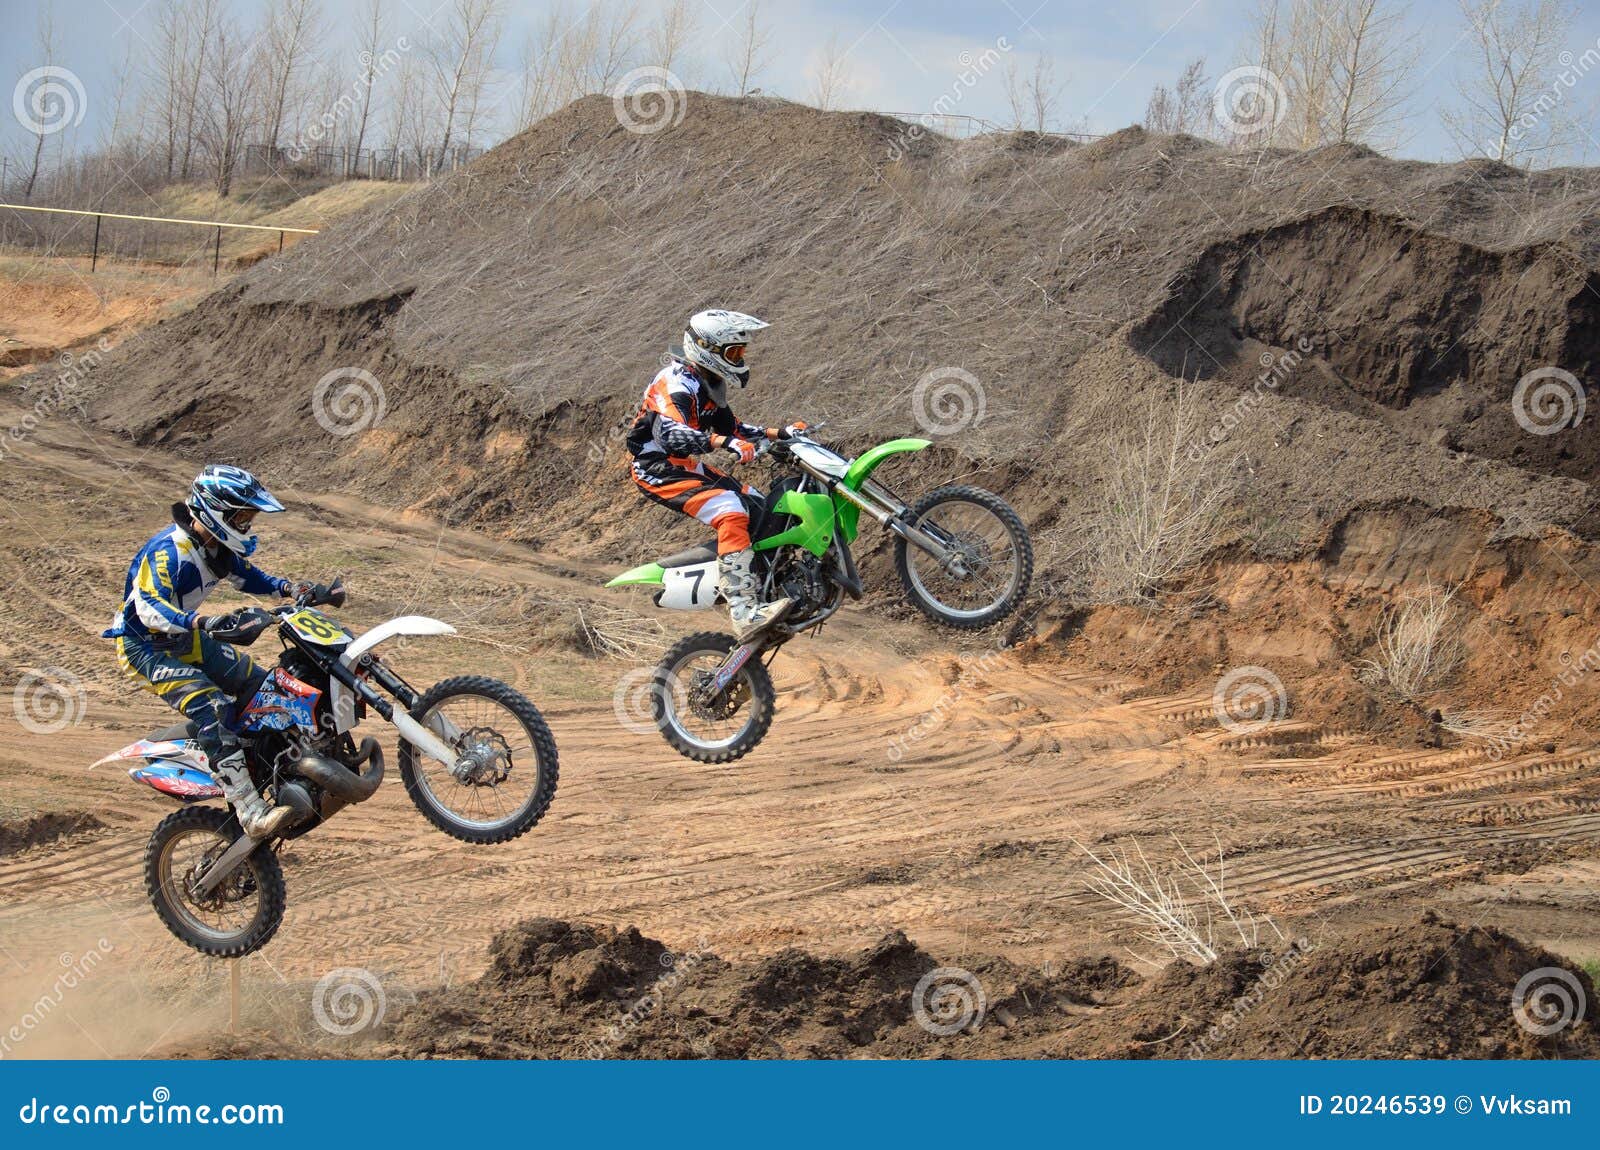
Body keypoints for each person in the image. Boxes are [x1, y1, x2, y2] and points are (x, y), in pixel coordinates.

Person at [103, 465, 315, 839]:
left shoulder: (213, 548)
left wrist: (289, 588)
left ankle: (272, 765)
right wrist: (204, 622)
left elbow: (248, 577)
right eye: (242, 516)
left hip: (188, 636)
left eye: (249, 517)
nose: (247, 524)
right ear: (215, 511)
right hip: (145, 647)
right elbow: (149, 607)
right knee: (212, 706)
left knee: (263, 685)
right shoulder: (170, 551)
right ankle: (250, 810)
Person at [626, 310, 806, 639]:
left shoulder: (706, 381)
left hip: (681, 464)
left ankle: (766, 587)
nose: (739, 358)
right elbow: (672, 434)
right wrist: (724, 443)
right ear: (707, 348)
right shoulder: (676, 383)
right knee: (730, 510)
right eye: (733, 352)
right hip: (655, 467)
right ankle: (744, 612)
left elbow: (734, 429)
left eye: (740, 352)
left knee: (757, 503)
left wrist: (779, 434)